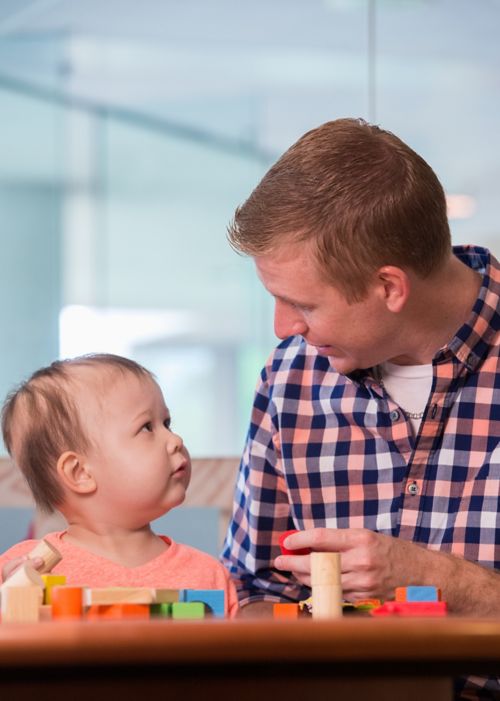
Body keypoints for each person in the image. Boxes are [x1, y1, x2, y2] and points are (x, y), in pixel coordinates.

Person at [220, 118, 500, 696]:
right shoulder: (291, 375)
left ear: (390, 287)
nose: (283, 329)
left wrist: (439, 582)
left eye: (302, 304)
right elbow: (254, 589)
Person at [0, 353, 238, 617]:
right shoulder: (27, 570)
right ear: (79, 472)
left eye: (167, 423)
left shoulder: (206, 574)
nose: (175, 439)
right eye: (147, 428)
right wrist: (12, 605)